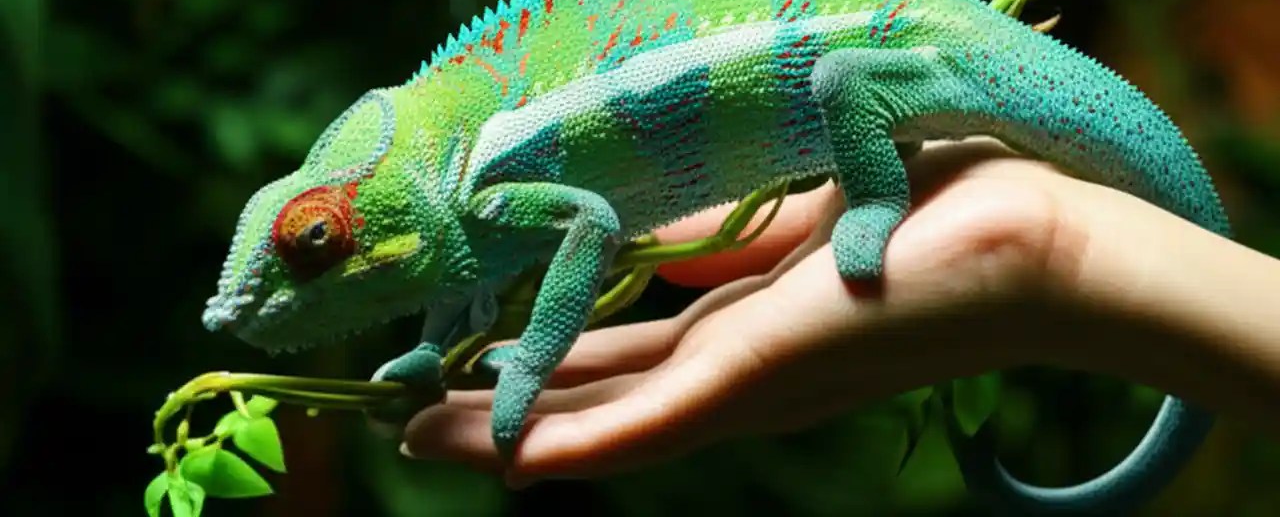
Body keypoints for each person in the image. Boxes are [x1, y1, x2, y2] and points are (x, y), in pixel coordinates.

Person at [397, 137, 1280, 488]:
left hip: (866, 58)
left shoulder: (470, 174)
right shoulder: (460, 193)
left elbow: (584, 223)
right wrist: (439, 347)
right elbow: (466, 265)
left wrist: (536, 352)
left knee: (838, 72)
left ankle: (881, 181)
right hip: (858, 67)